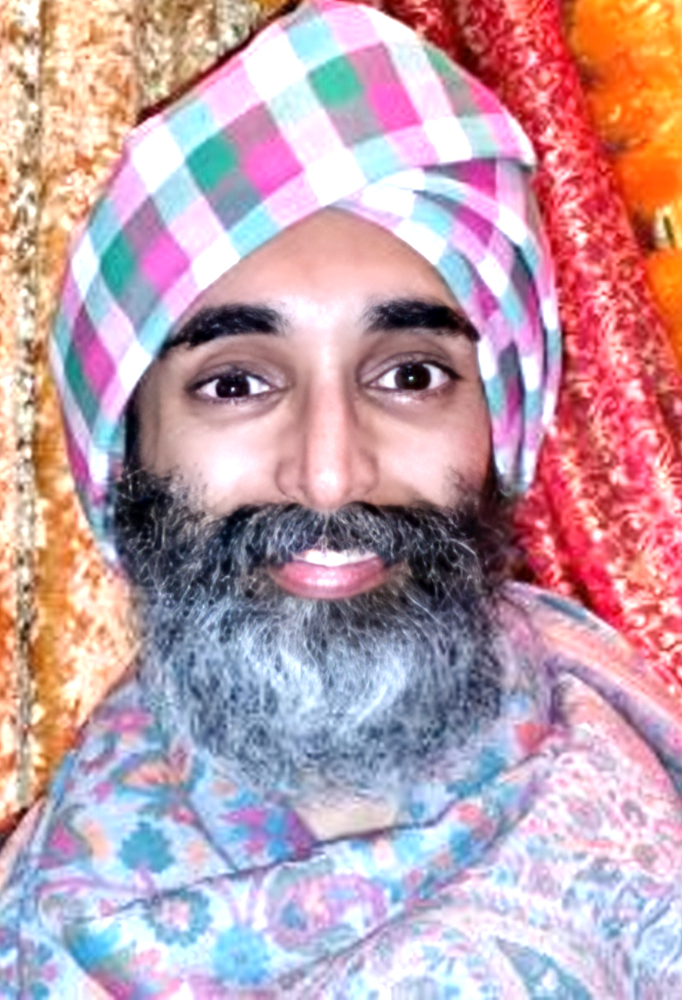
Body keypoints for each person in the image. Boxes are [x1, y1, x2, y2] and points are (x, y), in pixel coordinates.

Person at [2, 0, 682, 994]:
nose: (330, 474)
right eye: (236, 382)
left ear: (500, 431)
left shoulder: (646, 804)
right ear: (126, 456)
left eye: (409, 375)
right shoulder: (36, 934)